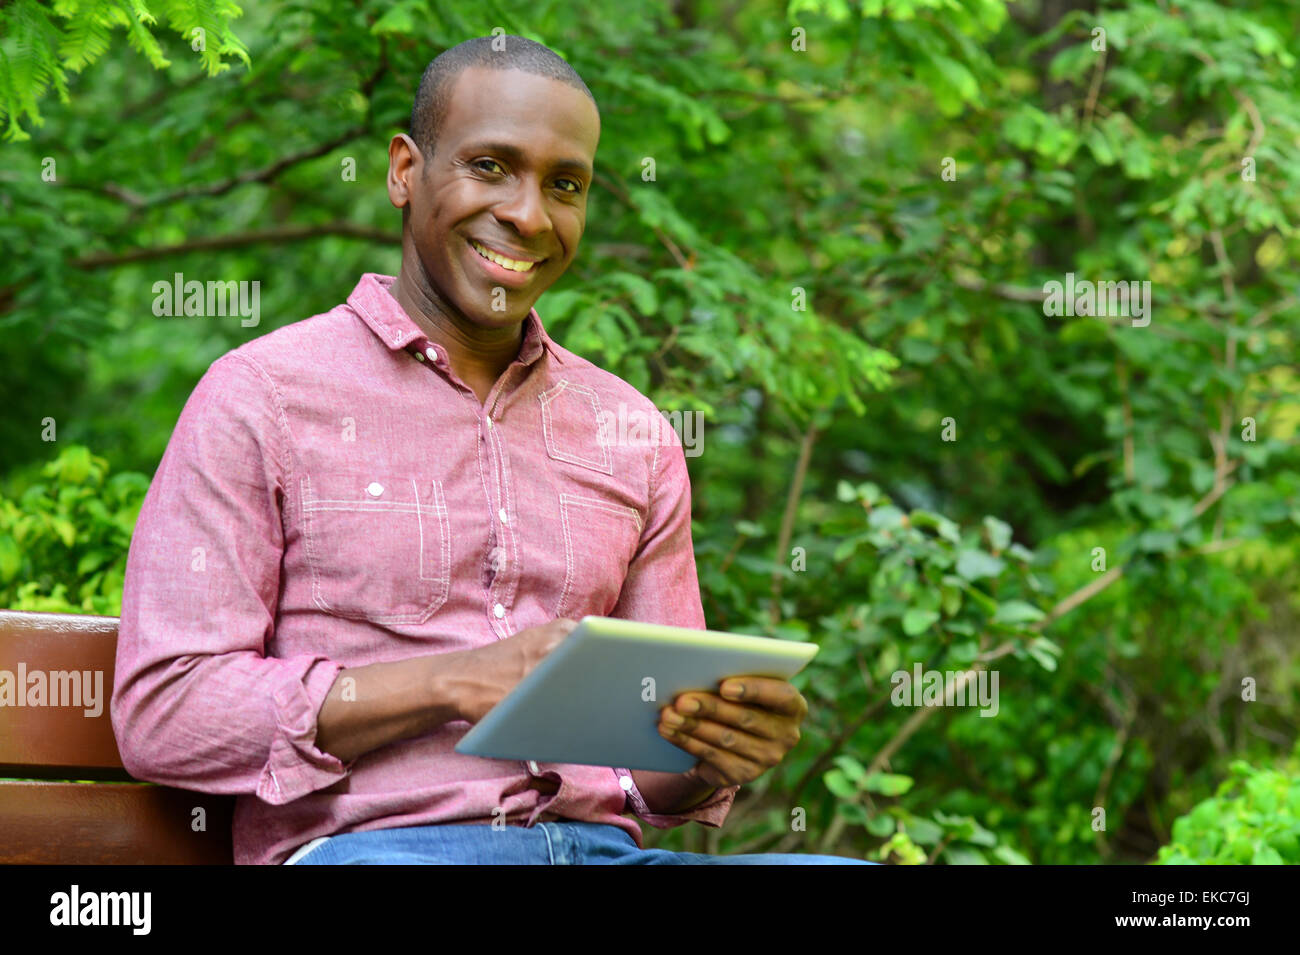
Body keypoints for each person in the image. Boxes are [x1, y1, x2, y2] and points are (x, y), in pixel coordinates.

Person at [111, 35, 870, 866]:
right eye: (490, 167)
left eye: (565, 184)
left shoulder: (633, 431)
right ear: (405, 171)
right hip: (375, 850)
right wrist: (452, 680)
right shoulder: (262, 396)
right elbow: (166, 712)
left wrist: (713, 750)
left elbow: (655, 775)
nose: (530, 214)